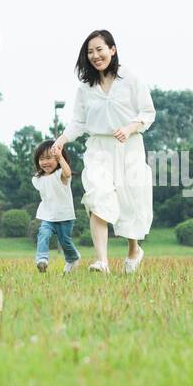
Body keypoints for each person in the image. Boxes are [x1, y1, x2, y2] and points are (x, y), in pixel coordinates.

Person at [51, 29, 155, 273]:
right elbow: (78, 121)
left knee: (130, 203)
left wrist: (130, 128)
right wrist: (62, 140)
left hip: (129, 147)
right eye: (90, 52)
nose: (95, 55)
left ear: (112, 50)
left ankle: (134, 250)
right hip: (98, 148)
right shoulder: (86, 87)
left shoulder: (130, 78)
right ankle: (102, 261)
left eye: (99, 49)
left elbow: (148, 113)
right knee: (98, 197)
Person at [31, 139, 80, 273]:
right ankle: (42, 260)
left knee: (65, 242)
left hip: (65, 216)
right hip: (48, 216)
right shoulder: (37, 179)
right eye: (41, 159)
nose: (45, 162)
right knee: (43, 233)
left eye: (49, 158)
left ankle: (73, 258)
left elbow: (68, 173)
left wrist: (60, 158)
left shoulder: (61, 175)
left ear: (58, 158)